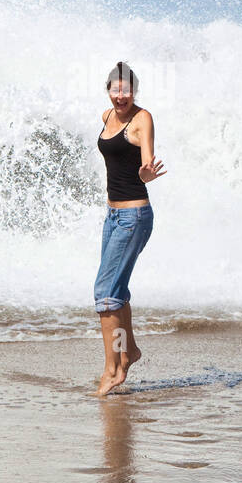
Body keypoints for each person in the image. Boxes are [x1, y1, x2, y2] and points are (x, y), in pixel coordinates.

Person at [93, 61, 165, 396]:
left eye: (127, 90)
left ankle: (112, 370)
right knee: (116, 291)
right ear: (108, 90)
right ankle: (129, 351)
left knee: (105, 294)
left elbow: (146, 158)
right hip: (112, 216)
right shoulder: (106, 118)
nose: (120, 96)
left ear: (134, 91)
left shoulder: (142, 118)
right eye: (115, 89)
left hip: (134, 216)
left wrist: (146, 173)